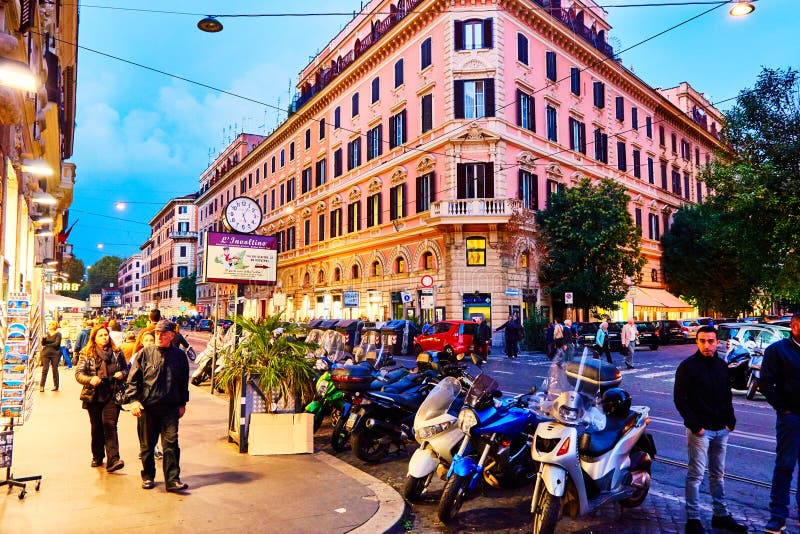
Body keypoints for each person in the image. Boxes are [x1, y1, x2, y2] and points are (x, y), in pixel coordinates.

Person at [673, 325, 747, 534]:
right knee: (696, 474)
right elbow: (680, 399)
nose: (707, 345)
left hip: (721, 429)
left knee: (718, 474)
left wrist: (730, 421)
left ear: (717, 343)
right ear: (697, 342)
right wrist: (696, 426)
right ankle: (693, 519)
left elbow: (726, 396)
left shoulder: (722, 366)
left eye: (711, 341)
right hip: (701, 431)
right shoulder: (687, 367)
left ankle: (720, 515)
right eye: (703, 341)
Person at [124, 320, 190, 492]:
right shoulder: (144, 354)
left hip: (170, 409)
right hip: (148, 408)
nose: (159, 336)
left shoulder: (180, 356)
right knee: (147, 445)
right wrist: (133, 401)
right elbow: (132, 381)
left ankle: (172, 479)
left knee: (171, 444)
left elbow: (183, 383)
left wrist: (183, 403)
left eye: (163, 334)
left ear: (171, 336)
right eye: (157, 334)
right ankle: (148, 476)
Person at [760, 312, 800, 533]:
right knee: (785, 466)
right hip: (791, 417)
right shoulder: (777, 350)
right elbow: (765, 382)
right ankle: (778, 516)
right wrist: (782, 408)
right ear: (794, 326)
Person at [75, 326, 128, 472]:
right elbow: (79, 374)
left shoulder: (117, 353)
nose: (104, 337)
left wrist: (122, 374)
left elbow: (126, 368)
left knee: (110, 425)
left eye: (106, 335)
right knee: (97, 427)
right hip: (94, 395)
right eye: (101, 335)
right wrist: (90, 379)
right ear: (94, 338)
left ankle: (113, 460)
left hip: (112, 394)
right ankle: (97, 456)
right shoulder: (87, 353)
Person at [40, 321, 63, 392]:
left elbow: (57, 344)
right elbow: (43, 343)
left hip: (55, 353)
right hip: (46, 353)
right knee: (45, 369)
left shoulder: (58, 334)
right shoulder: (46, 334)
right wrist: (44, 339)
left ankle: (56, 385)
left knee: (55, 369)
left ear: (55, 326)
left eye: (52, 324)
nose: (50, 325)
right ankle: (42, 386)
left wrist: (47, 344)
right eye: (49, 324)